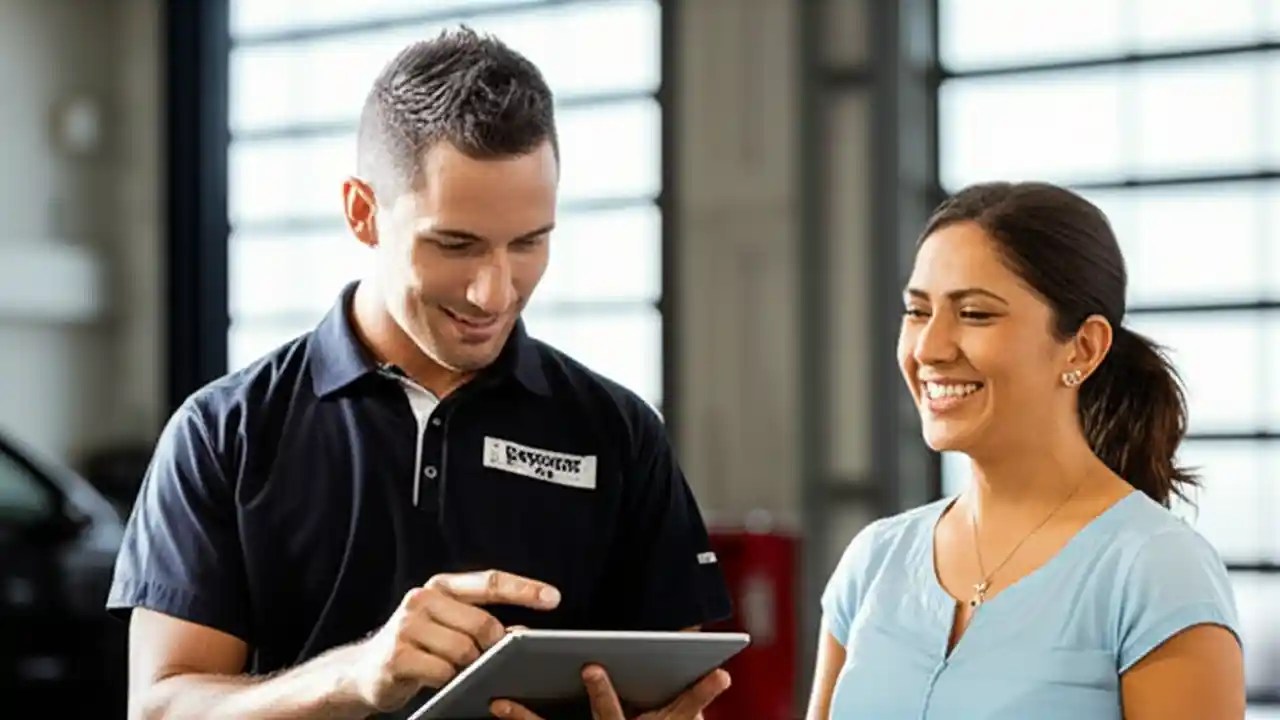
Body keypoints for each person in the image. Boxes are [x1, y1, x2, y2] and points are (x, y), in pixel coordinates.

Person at [107, 28, 732, 720]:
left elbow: (674, 692)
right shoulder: (224, 433)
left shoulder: (618, 433)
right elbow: (161, 708)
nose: (493, 293)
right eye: (454, 245)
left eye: (529, 242)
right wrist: (353, 676)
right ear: (362, 213)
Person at [806, 181, 1245, 720]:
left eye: (975, 314)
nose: (929, 348)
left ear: (1083, 347)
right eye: (917, 312)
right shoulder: (875, 561)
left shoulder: (1155, 569)